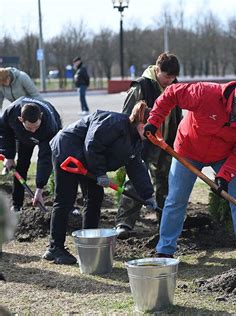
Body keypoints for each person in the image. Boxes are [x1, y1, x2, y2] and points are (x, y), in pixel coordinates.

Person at [144, 79, 236, 261]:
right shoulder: (206, 94)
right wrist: (154, 120)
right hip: (188, 149)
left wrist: (225, 175)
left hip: (224, 155)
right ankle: (165, 249)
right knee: (176, 199)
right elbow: (172, 93)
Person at [43, 101, 157, 264]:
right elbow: (93, 143)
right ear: (141, 124)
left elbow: (136, 167)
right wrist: (100, 173)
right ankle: (54, 249)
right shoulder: (114, 122)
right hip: (68, 152)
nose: (151, 133)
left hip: (86, 161)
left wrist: (148, 195)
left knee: (95, 198)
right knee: (65, 200)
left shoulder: (136, 141)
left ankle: (88, 243)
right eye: (150, 128)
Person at [115, 53, 182, 239]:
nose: (170, 81)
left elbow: (178, 113)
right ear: (157, 70)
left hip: (166, 142)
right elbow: (127, 117)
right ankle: (124, 223)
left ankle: (165, 222)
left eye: (173, 77)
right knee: (136, 182)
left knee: (165, 184)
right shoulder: (141, 87)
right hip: (143, 144)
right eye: (167, 76)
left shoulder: (175, 86)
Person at [0, 97, 61, 212]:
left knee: (56, 164)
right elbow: (4, 131)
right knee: (22, 165)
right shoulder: (11, 113)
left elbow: (45, 158)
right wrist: (8, 156)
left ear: (41, 117)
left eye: (36, 127)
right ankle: (17, 204)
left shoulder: (50, 126)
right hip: (23, 137)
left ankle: (63, 204)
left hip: (47, 135)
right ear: (20, 119)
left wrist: (39, 188)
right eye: (29, 127)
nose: (33, 130)